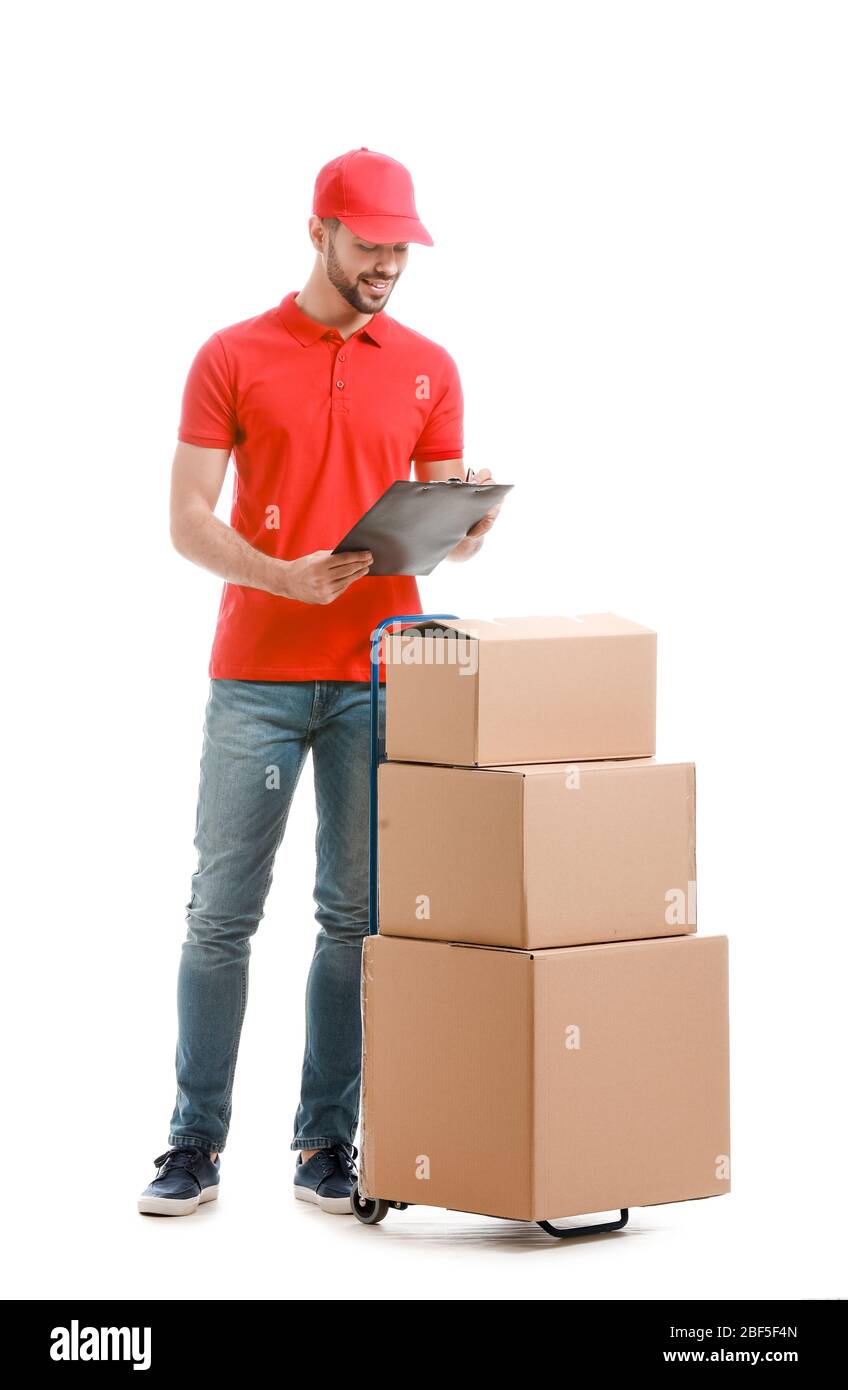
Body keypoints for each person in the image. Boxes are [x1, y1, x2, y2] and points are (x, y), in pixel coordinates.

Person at [138, 147, 502, 1217]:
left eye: (399, 246)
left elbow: (434, 526)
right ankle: (193, 1142)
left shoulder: (430, 364)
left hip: (381, 675)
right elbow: (186, 520)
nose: (387, 262)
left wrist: (466, 531)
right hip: (254, 675)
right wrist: (280, 579)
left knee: (353, 918)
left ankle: (324, 1145)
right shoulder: (230, 355)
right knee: (220, 913)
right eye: (369, 243)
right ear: (319, 232)